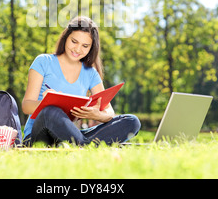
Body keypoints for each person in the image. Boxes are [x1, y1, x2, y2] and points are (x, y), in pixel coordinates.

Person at [22, 16, 141, 147]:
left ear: (91, 48)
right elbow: (26, 106)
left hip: (69, 136)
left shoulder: (90, 73)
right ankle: (88, 146)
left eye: (85, 46)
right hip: (39, 135)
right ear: (66, 37)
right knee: (50, 111)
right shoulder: (43, 61)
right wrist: (45, 103)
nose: (78, 49)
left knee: (131, 121)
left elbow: (109, 112)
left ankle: (80, 145)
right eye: (74, 41)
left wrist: (98, 115)